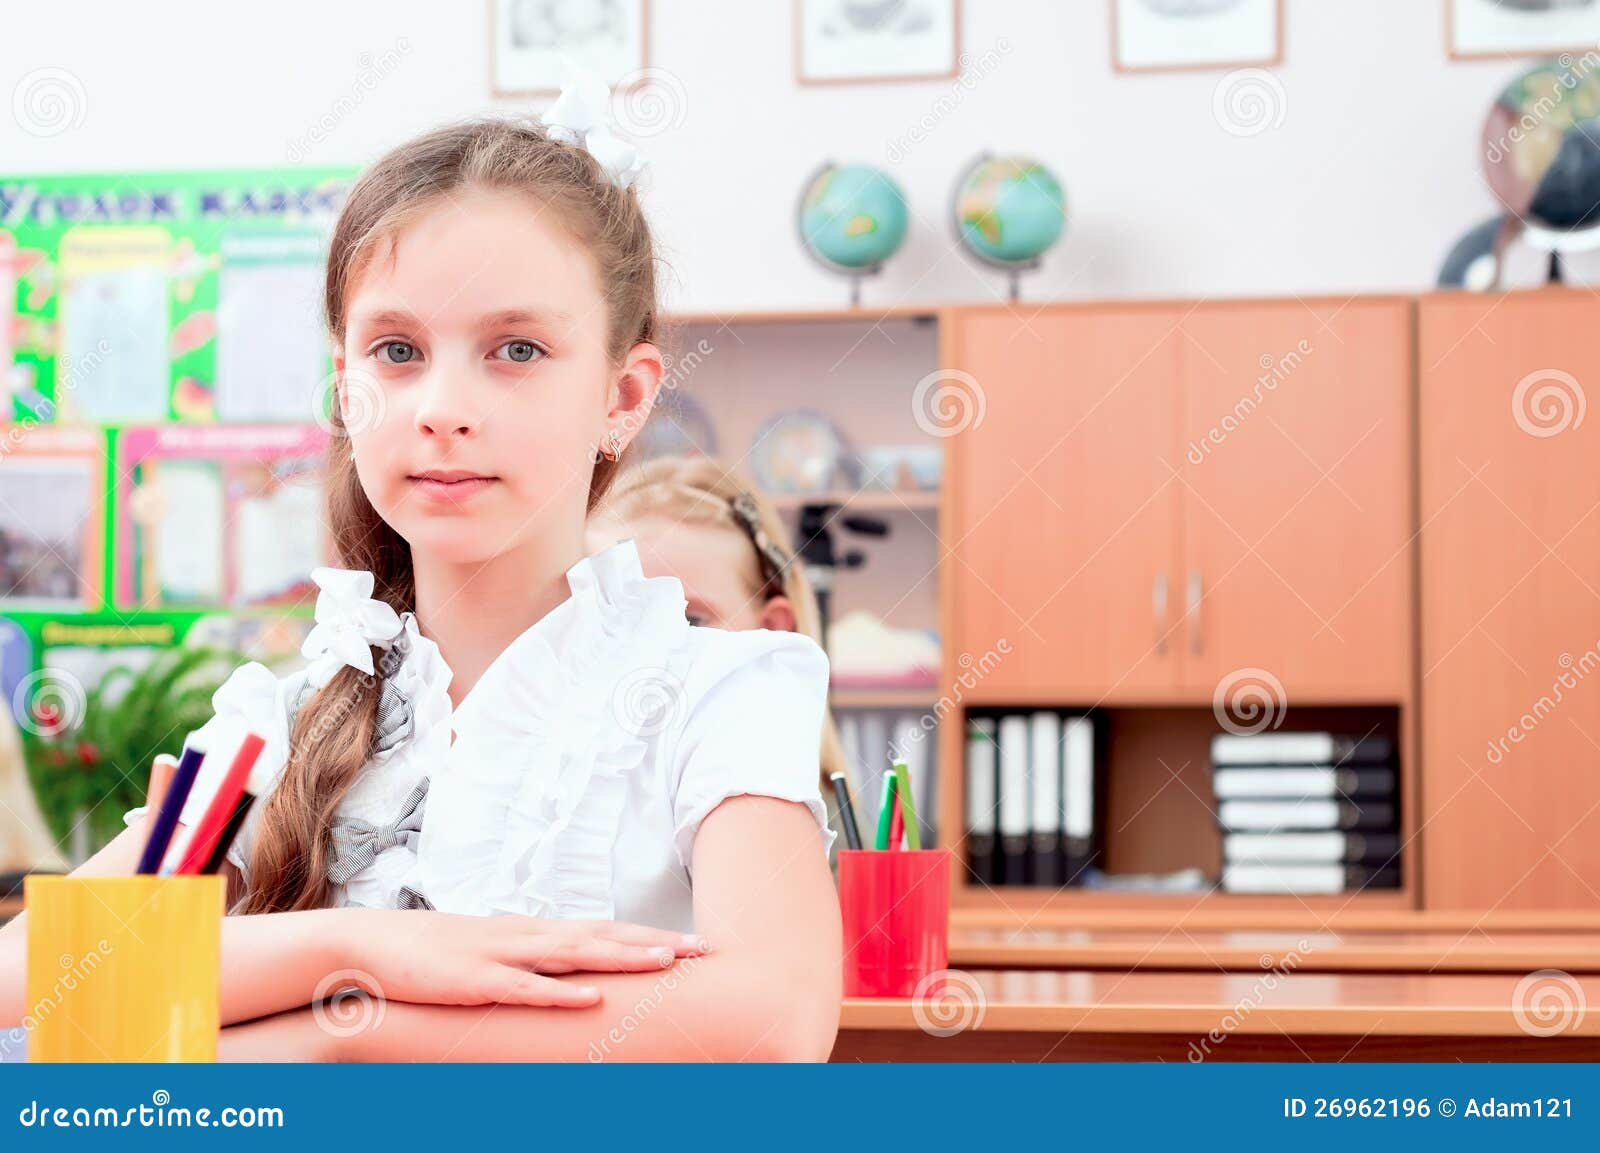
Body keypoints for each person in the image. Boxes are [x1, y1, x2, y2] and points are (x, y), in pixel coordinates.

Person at [1, 81, 841, 1062]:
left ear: (622, 396)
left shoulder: (719, 687)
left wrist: (335, 1037)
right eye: (396, 349)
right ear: (346, 387)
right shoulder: (272, 720)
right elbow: (35, 982)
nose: (443, 405)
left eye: (515, 348)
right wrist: (362, 947)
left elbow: (772, 1017)